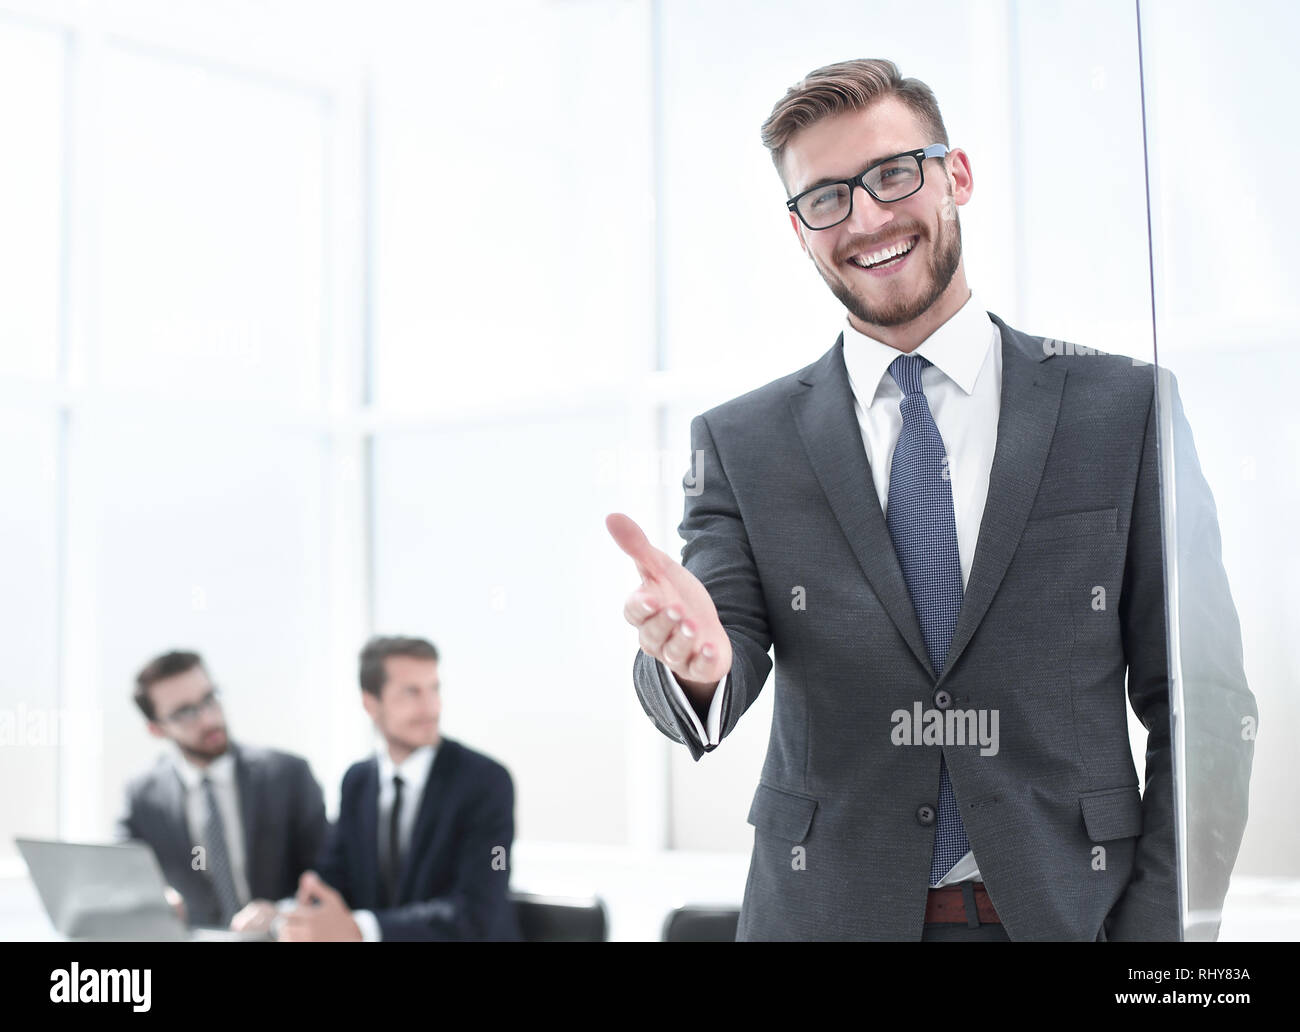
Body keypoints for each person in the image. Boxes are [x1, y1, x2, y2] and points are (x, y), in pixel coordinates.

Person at [608, 58, 1254, 941]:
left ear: (956, 175)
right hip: (826, 916)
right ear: (800, 231)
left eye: (891, 174)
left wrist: (1157, 943)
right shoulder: (742, 443)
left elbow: (1204, 705)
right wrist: (696, 665)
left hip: (1068, 916)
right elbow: (718, 642)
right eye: (826, 198)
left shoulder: (1123, 410)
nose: (866, 217)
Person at [279, 635, 521, 941]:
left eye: (434, 689)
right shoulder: (358, 782)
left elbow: (478, 909)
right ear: (371, 703)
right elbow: (332, 878)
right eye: (411, 692)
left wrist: (360, 929)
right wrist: (285, 913)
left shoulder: (486, 782)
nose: (430, 706)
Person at [115, 650, 328, 932]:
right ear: (156, 729)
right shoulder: (142, 796)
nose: (208, 719)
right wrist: (157, 899)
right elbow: (125, 875)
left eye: (209, 698)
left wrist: (281, 912)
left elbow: (330, 875)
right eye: (185, 713)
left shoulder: (288, 775)